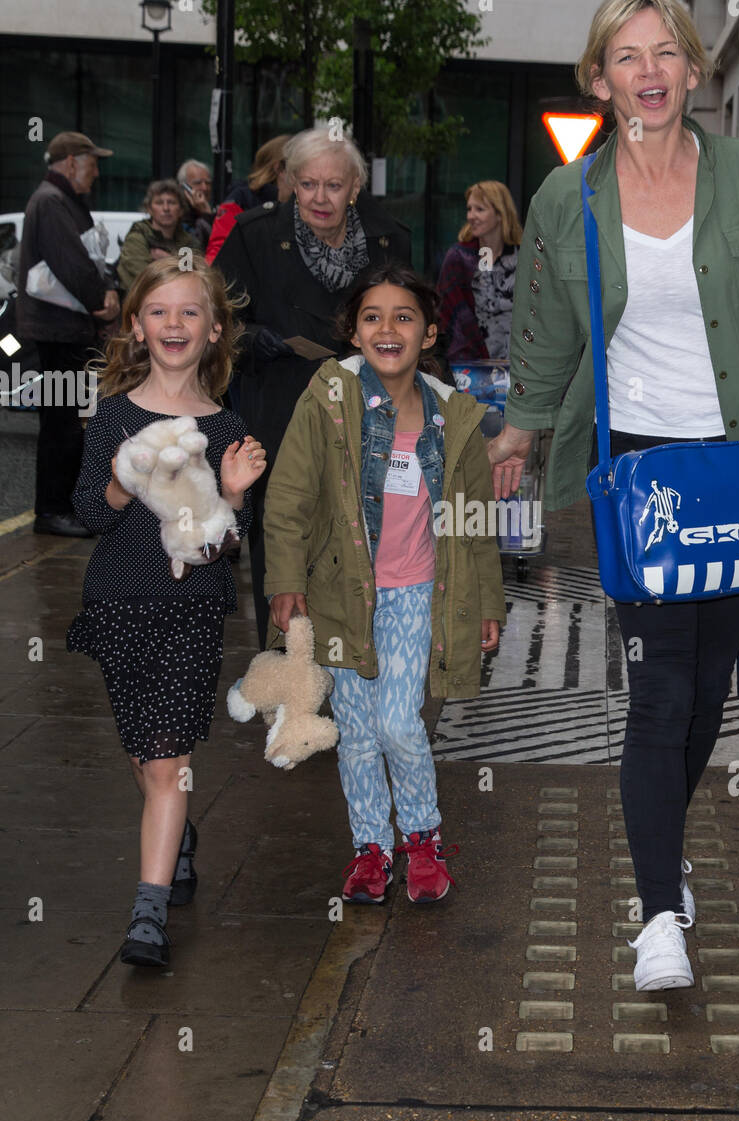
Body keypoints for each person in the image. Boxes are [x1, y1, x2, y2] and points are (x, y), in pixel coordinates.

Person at [487, 0, 739, 992]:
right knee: (659, 692)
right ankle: (658, 916)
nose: (648, 73)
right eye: (626, 58)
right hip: (641, 475)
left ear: (694, 69)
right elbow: (551, 330)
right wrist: (519, 427)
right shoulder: (570, 198)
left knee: (700, 704)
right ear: (600, 80)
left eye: (665, 53)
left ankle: (661, 845)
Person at [262, 263, 506, 904]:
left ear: (428, 334)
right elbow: (288, 495)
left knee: (400, 725)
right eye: (372, 317)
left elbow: (474, 525)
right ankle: (370, 849)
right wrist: (285, 579)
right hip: (341, 597)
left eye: (404, 317)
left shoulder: (454, 418)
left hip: (419, 593)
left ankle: (422, 838)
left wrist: (485, 602)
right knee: (357, 732)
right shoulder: (329, 397)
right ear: (354, 332)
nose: (387, 328)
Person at [66, 254, 265, 968]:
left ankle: (147, 915)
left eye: (189, 312)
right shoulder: (113, 416)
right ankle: (176, 839)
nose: (173, 323)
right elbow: (88, 511)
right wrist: (127, 481)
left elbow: (220, 548)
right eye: (159, 311)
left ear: (214, 330)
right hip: (118, 598)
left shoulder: (226, 428)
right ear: (137, 327)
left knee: (165, 760)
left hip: (191, 607)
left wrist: (234, 496)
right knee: (142, 752)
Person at [215, 127, 411, 645]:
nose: (320, 198)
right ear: (290, 184)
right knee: (282, 547)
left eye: (333, 185)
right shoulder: (254, 236)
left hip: (367, 415)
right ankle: (286, 675)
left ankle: (357, 663)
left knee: (363, 542)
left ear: (355, 187)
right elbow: (218, 324)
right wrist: (261, 341)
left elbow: (413, 324)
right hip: (279, 416)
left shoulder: (390, 238)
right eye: (308, 185)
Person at [17, 130, 119, 537]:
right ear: (72, 162)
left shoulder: (64, 202)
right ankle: (53, 511)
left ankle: (63, 508)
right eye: (92, 163)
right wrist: (103, 301)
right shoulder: (51, 202)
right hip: (57, 334)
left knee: (71, 421)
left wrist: (106, 294)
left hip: (69, 331)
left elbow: (91, 261)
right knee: (61, 424)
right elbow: (74, 266)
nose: (95, 172)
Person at [437, 180, 522, 362]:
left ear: (500, 214)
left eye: (480, 209)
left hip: (519, 365)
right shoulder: (459, 258)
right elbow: (449, 318)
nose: (471, 216)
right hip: (469, 367)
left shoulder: (524, 257)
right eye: (469, 209)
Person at [205, 135, 293, 264]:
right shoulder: (241, 199)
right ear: (279, 168)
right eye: (298, 166)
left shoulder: (305, 203)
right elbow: (218, 255)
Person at [116, 179, 202, 294]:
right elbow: (144, 277)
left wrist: (167, 259)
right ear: (149, 209)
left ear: (181, 210)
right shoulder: (137, 237)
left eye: (171, 202)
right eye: (159, 203)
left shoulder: (188, 241)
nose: (166, 208)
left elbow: (197, 277)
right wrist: (178, 264)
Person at [177, 158, 213, 247]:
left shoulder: (216, 211)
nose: (205, 188)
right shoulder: (176, 214)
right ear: (184, 187)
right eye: (198, 183)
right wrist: (206, 216)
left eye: (208, 183)